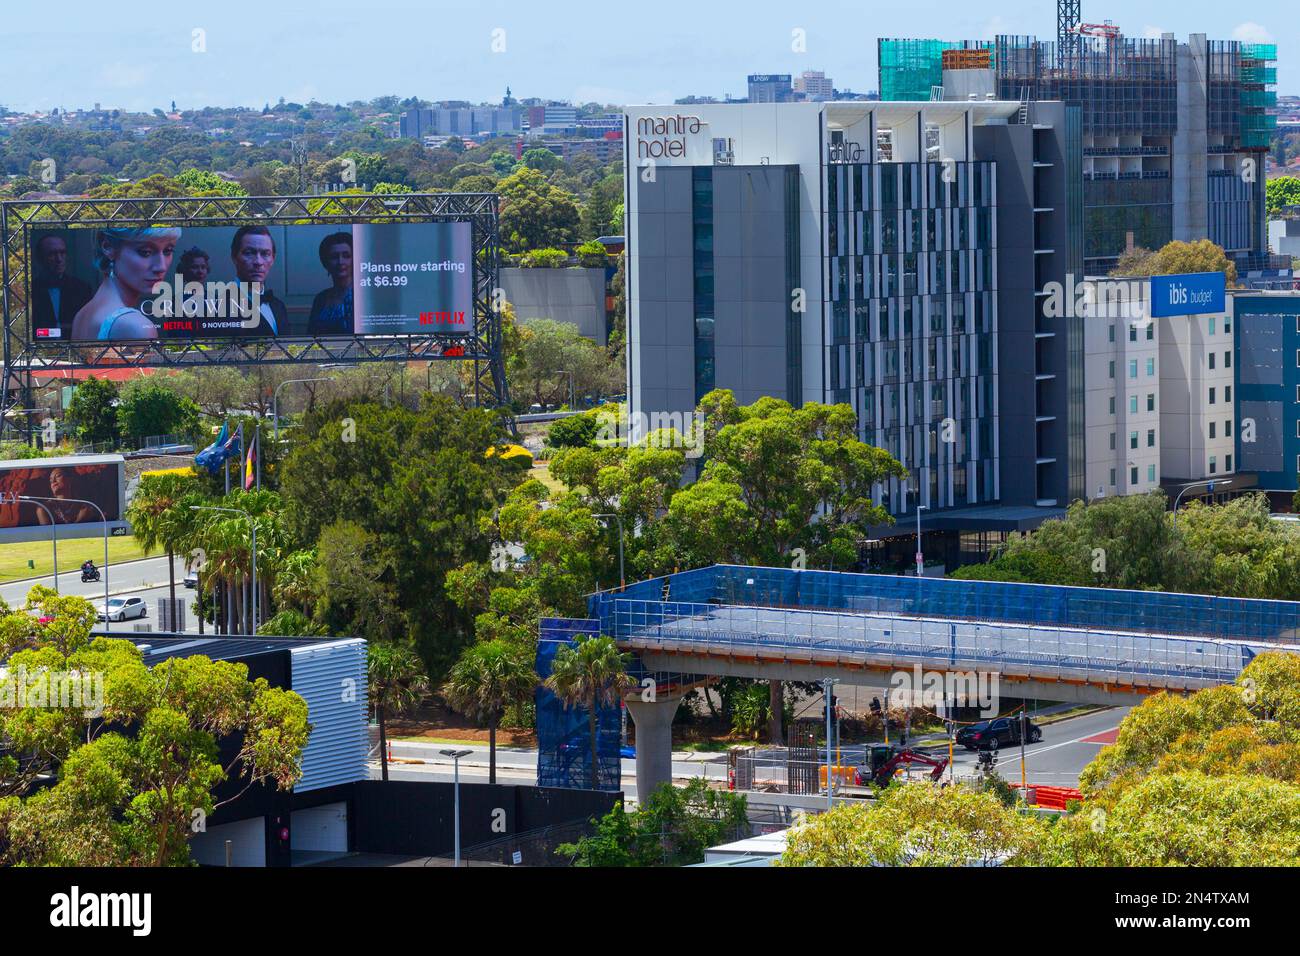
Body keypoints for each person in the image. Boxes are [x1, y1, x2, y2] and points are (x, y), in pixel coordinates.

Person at [71, 227, 182, 341]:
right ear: (108, 247)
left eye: (168, 251)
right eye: (145, 252)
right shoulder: (136, 327)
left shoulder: (83, 314)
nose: (161, 267)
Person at [216, 225, 286, 337]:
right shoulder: (217, 306)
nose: (258, 262)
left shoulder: (279, 306)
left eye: (265, 254)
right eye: (249, 253)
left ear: (273, 259)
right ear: (234, 257)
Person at [31, 233, 93, 340]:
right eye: (52, 254)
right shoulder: (31, 290)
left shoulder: (82, 289)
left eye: (62, 253)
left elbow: (89, 326)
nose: (59, 259)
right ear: (40, 258)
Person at [307, 231, 354, 336]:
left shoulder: (365, 296)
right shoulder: (320, 298)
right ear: (326, 262)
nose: (340, 261)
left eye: (346, 256)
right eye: (334, 257)